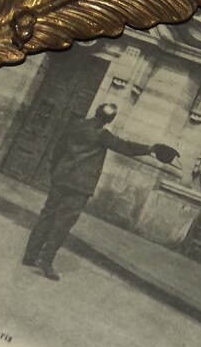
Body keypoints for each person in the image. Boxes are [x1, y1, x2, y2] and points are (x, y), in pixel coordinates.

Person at [23, 103, 178, 281]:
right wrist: (151, 149)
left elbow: (59, 147)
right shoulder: (102, 135)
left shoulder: (75, 124)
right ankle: (46, 260)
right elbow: (124, 146)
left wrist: (55, 171)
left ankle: (30, 255)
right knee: (63, 223)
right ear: (110, 119)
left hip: (61, 178)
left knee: (47, 214)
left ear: (97, 112)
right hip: (80, 185)